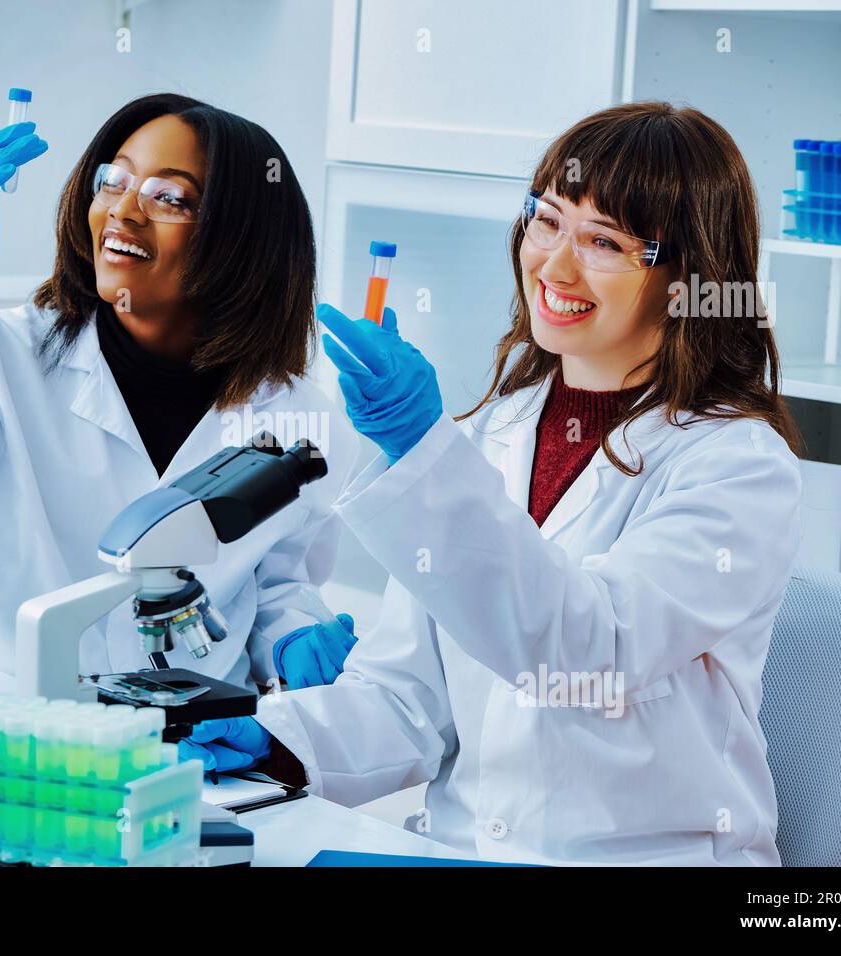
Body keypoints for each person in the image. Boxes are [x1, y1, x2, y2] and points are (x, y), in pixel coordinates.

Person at [182, 102, 804, 865]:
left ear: (686, 278)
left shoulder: (738, 468)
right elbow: (406, 697)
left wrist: (421, 452)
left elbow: (586, 650)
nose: (556, 267)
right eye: (547, 221)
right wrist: (277, 735)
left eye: (604, 242)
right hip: (463, 850)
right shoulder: (492, 432)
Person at [0, 93, 359, 691]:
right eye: (114, 181)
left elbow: (276, 586)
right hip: (14, 720)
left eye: (169, 197)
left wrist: (293, 638)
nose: (123, 212)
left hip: (196, 730)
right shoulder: (5, 358)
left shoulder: (296, 417)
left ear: (242, 239)